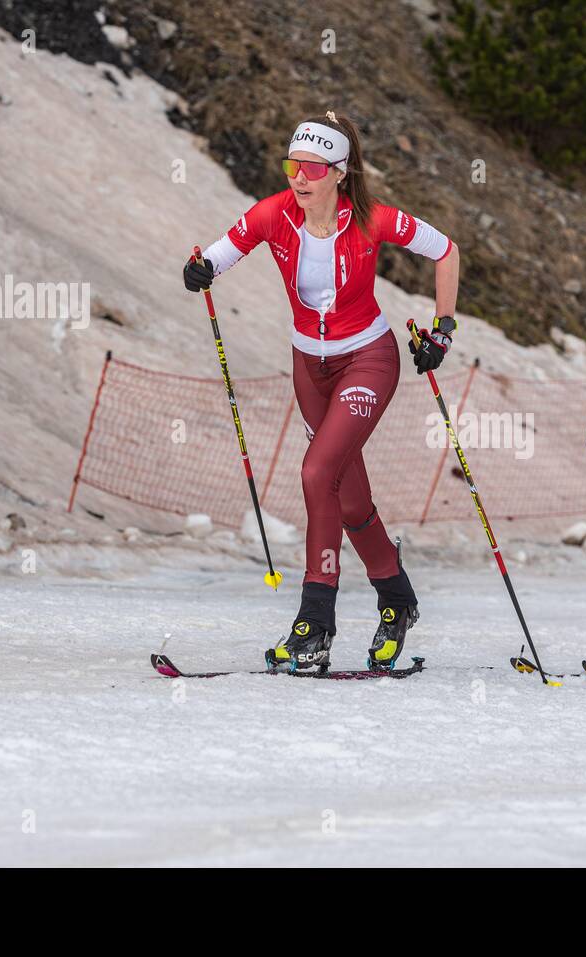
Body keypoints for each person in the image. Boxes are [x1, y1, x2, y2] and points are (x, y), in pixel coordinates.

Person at [183, 110, 461, 672]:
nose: (300, 178)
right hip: (309, 367)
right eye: (294, 166)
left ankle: (315, 621)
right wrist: (199, 269)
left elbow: (446, 251)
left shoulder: (372, 219)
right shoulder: (273, 214)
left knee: (315, 473)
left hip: (368, 359)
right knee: (350, 498)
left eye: (313, 168)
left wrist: (443, 331)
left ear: (341, 173)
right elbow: (218, 253)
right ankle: (397, 597)